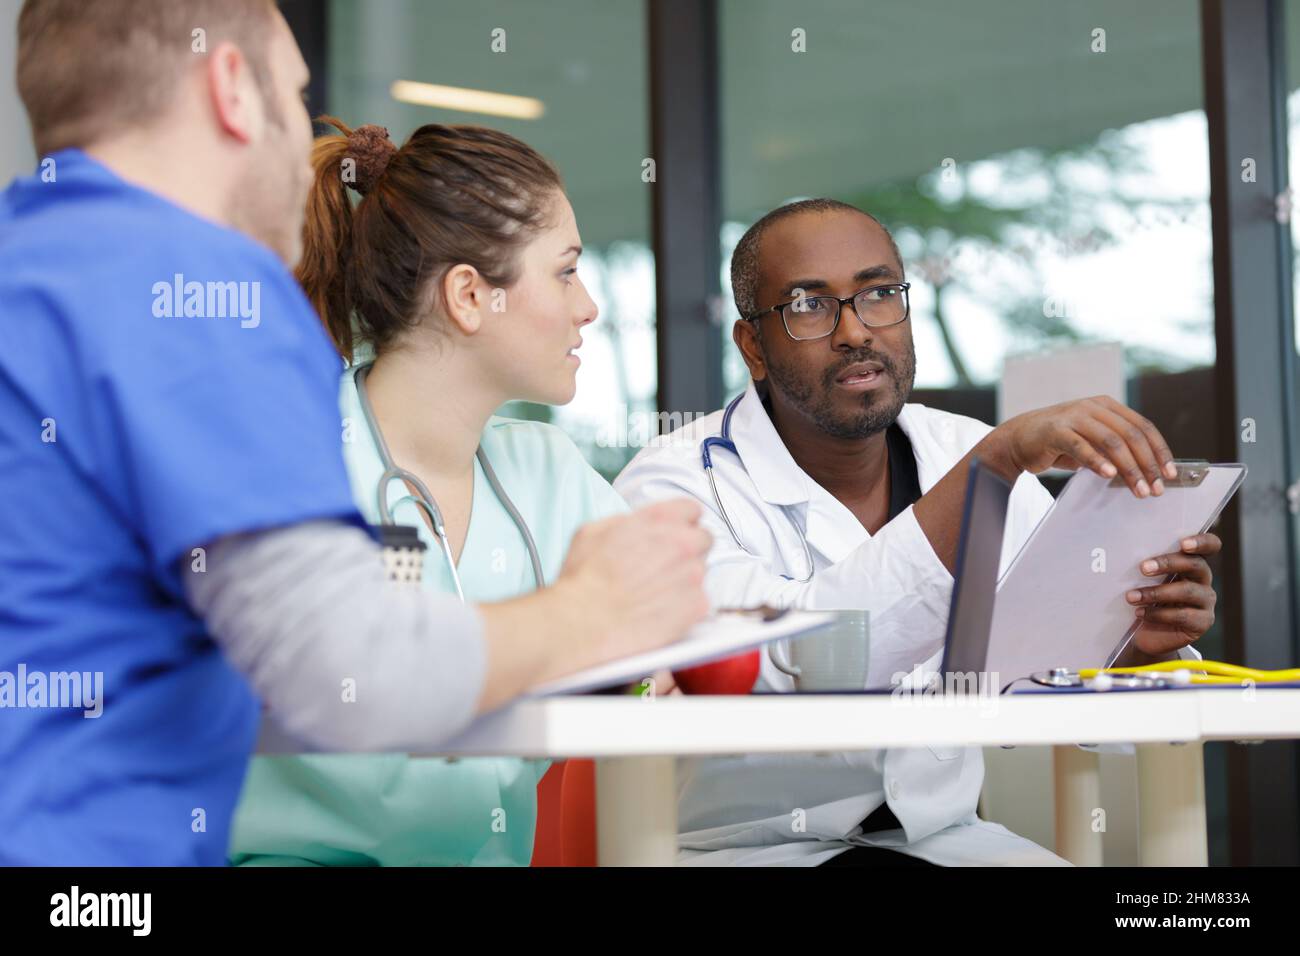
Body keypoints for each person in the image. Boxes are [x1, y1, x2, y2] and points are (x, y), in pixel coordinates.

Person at [0, 0, 709, 866]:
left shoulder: (31, 265)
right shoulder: (192, 284)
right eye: (295, 97)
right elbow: (348, 672)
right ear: (231, 88)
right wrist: (591, 613)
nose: (303, 153)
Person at [614, 198, 1220, 866]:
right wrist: (991, 471)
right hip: (748, 850)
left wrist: (1137, 646)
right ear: (753, 345)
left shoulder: (961, 449)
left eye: (878, 293)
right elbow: (803, 667)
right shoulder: (670, 487)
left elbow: (1037, 677)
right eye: (809, 305)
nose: (854, 330)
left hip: (945, 841)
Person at [227, 118, 640, 865]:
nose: (588, 307)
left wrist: (652, 670)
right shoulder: (284, 471)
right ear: (470, 296)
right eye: (565, 271)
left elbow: (657, 630)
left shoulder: (549, 475)